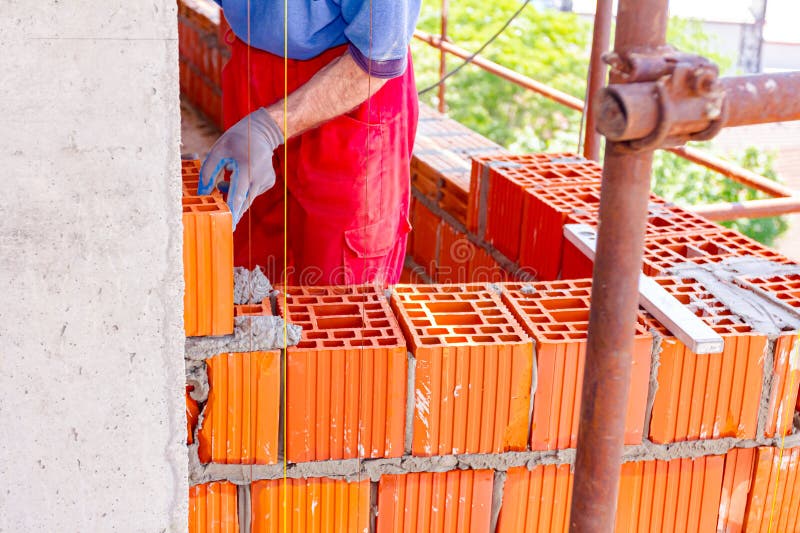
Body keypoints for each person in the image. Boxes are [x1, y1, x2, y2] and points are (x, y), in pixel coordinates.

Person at [199, 1, 421, 286]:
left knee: (342, 284)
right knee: (247, 263)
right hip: (253, 66)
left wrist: (269, 127)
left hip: (348, 81)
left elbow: (378, 53)